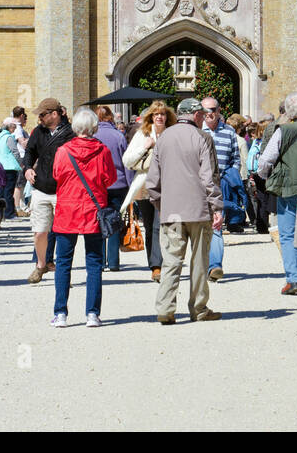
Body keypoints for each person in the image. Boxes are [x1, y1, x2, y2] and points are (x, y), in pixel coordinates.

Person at [148, 98, 224, 324]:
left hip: (171, 210)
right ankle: (198, 308)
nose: (203, 119)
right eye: (202, 115)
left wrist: (161, 205)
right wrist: (217, 206)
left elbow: (152, 181)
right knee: (199, 262)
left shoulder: (163, 138)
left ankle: (165, 308)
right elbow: (209, 177)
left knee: (171, 261)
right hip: (199, 209)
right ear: (196, 115)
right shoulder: (203, 138)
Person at [49, 107, 117, 327]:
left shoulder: (63, 151)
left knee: (63, 263)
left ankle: (60, 313)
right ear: (94, 127)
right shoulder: (102, 151)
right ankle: (92, 314)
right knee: (94, 263)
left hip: (68, 210)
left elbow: (56, 175)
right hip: (93, 210)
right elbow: (110, 179)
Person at [255, 91, 297, 296]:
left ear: (288, 112)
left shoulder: (282, 131)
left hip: (288, 187)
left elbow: (266, 160)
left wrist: (265, 176)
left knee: (288, 234)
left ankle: (293, 278)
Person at [23, 97, 74, 282]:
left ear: (54, 114)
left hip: (63, 190)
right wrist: (27, 168)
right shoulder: (39, 131)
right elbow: (29, 152)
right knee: (39, 232)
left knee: (64, 234)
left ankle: (62, 272)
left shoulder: (71, 133)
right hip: (41, 188)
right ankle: (41, 264)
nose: (40, 118)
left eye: (42, 115)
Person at [123, 101, 171, 282]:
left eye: (163, 114)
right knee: (150, 226)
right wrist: (145, 147)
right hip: (146, 186)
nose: (159, 117)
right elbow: (127, 160)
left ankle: (160, 265)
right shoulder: (142, 135)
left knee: (161, 225)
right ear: (151, 117)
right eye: (156, 114)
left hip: (167, 186)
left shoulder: (171, 133)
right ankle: (155, 265)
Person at [201, 95, 242, 277]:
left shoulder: (229, 132)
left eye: (212, 110)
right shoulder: (196, 130)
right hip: (199, 185)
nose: (208, 114)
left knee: (216, 225)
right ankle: (202, 266)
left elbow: (236, 158)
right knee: (199, 229)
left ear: (218, 111)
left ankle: (214, 266)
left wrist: (229, 177)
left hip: (220, 185)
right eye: (205, 110)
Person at [94, 105, 132, 272]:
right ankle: (114, 261)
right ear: (110, 117)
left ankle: (101, 261)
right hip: (118, 183)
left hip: (98, 184)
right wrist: (130, 185)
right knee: (115, 221)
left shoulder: (93, 136)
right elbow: (127, 163)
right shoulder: (118, 136)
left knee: (99, 221)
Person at [0, 116, 26, 215]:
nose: (15, 128)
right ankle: (9, 212)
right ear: (9, 126)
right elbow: (15, 152)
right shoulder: (9, 137)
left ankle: (0, 212)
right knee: (9, 190)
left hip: (0, 165)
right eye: (14, 126)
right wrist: (21, 163)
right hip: (10, 166)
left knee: (2, 189)